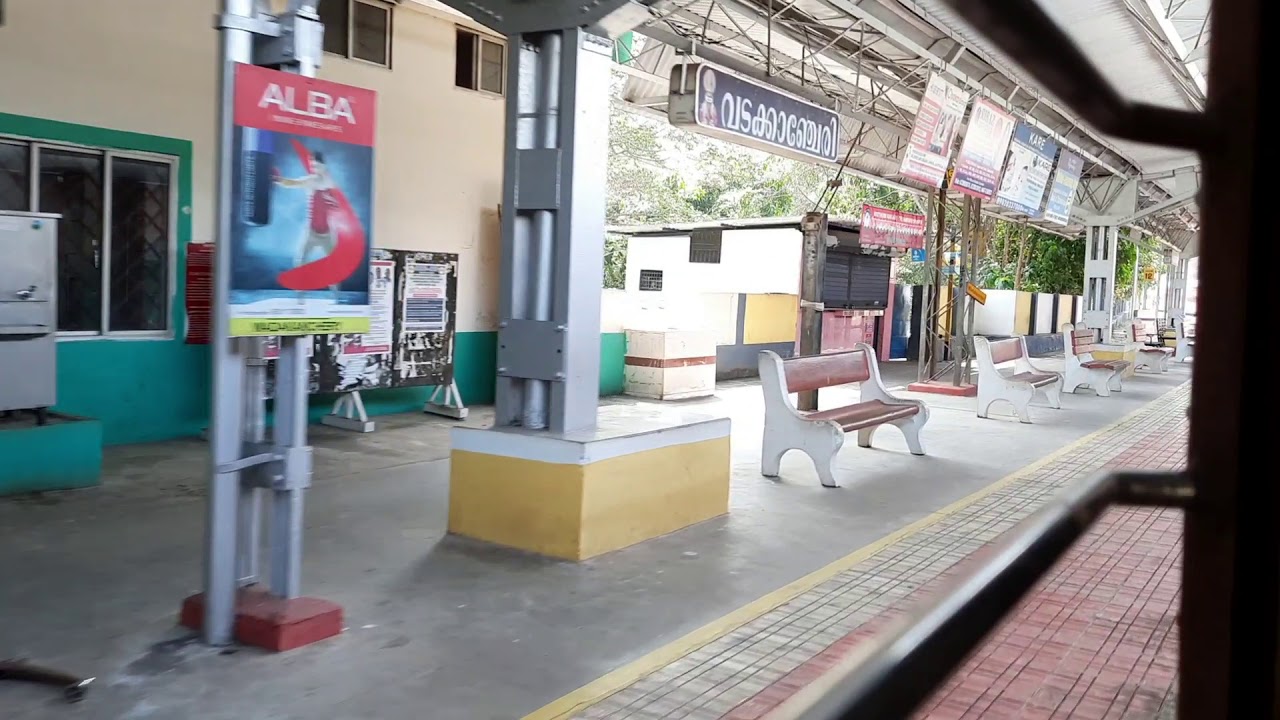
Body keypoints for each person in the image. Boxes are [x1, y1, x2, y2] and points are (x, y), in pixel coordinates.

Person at [275, 149, 342, 298]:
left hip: (327, 234)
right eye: (311, 162)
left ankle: (337, 296)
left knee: (334, 266)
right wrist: (279, 180)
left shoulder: (331, 184)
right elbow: (293, 182)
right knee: (300, 260)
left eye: (315, 162)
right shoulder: (310, 181)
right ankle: (300, 295)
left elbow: (337, 206)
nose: (312, 165)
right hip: (311, 232)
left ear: (323, 165)